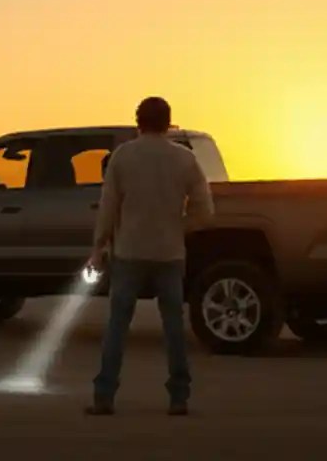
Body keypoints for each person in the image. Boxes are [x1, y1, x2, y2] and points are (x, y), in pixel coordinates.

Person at [84, 96, 214, 417]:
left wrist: (98, 247)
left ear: (138, 121)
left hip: (129, 252)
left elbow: (109, 207)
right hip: (169, 254)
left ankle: (105, 395)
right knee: (173, 327)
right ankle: (178, 397)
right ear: (168, 123)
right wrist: (179, 227)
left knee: (117, 325)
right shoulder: (184, 159)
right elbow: (205, 211)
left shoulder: (123, 157)